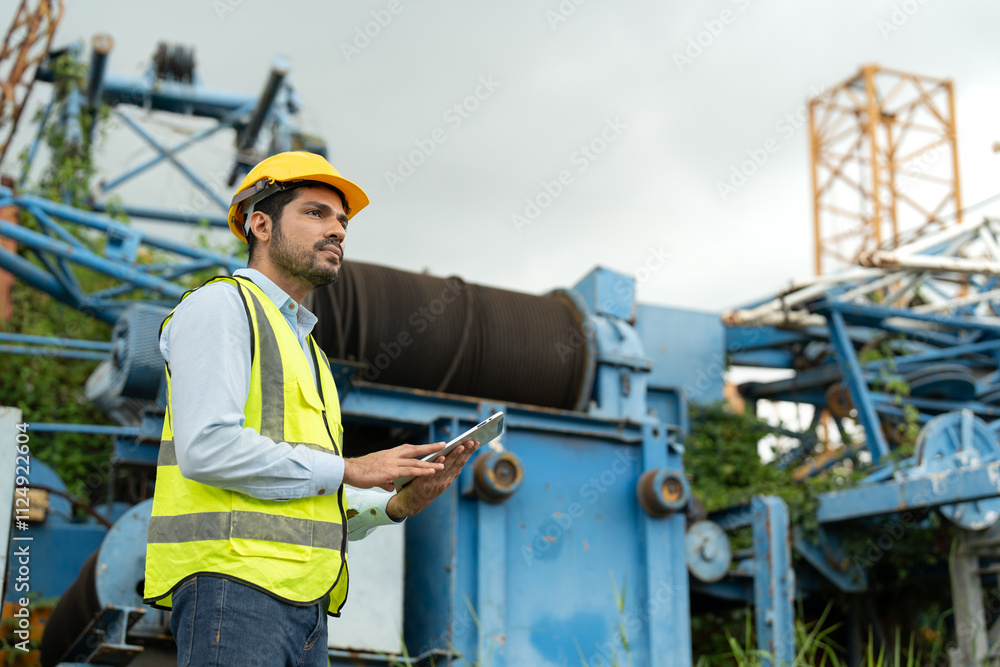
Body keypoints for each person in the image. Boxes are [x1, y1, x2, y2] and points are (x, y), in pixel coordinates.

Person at [143, 151, 479, 666]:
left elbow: (308, 502)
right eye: (316, 213)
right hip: (234, 589)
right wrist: (351, 468)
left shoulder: (310, 352)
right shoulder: (221, 307)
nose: (337, 230)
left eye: (342, 221)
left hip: (307, 607)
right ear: (260, 225)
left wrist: (396, 506)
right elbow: (207, 449)